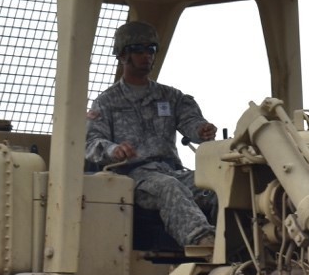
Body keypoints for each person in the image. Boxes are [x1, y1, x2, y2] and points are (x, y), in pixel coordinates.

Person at [85, 21, 218, 251]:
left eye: (151, 50)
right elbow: (92, 141)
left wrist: (201, 130)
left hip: (173, 171)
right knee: (168, 188)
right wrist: (113, 150)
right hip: (135, 177)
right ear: (123, 54)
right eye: (139, 50)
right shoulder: (106, 102)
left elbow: (190, 122)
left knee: (219, 183)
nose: (147, 55)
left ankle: (237, 244)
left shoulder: (170, 96)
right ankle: (204, 244)